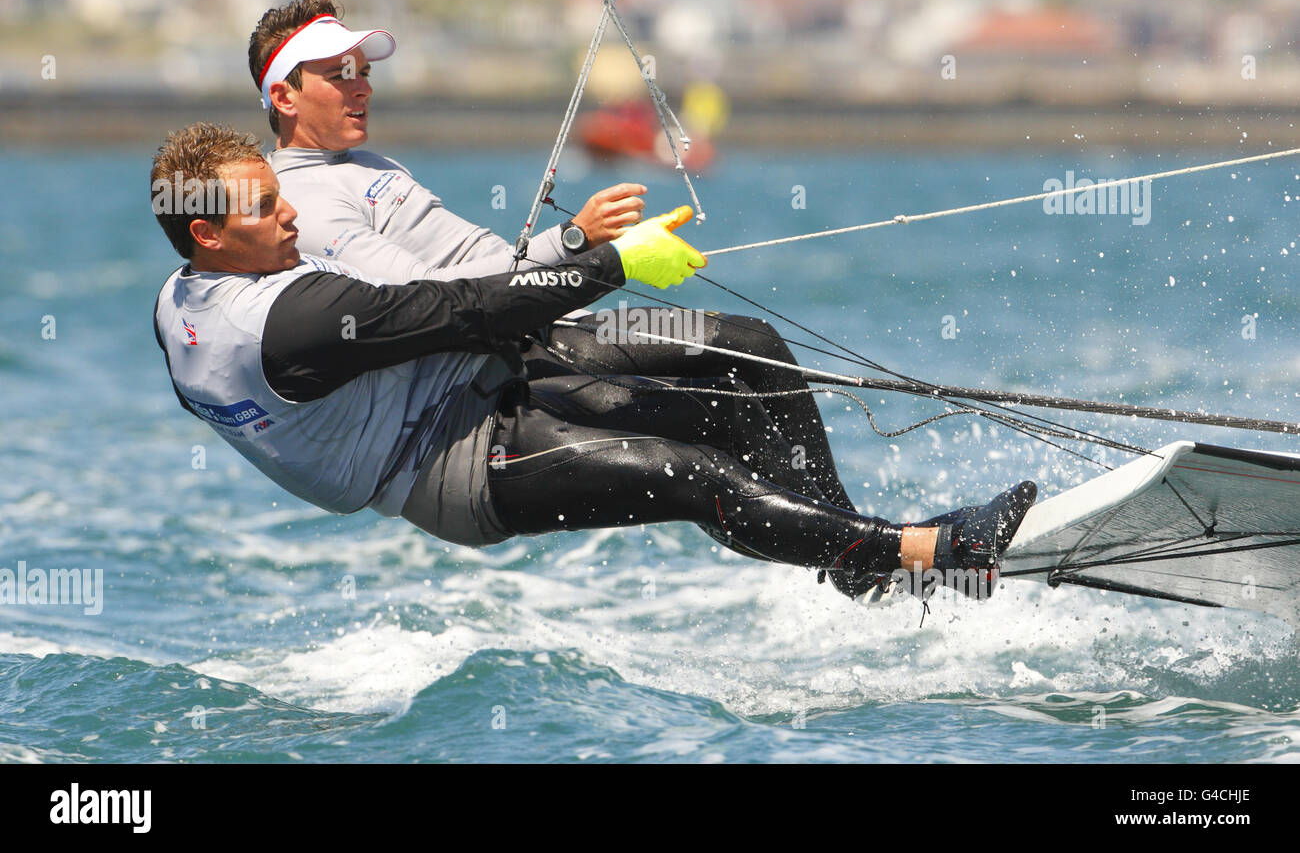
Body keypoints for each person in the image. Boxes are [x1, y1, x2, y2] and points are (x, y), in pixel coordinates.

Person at [150, 123, 1036, 602]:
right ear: (209, 232)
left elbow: (455, 315)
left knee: (735, 388)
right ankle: (926, 553)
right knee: (691, 472)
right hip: (445, 467)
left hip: (473, 390)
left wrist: (566, 245)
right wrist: (612, 265)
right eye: (270, 211)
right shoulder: (295, 318)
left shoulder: (176, 303)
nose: (293, 217)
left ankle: (853, 556)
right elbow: (469, 308)